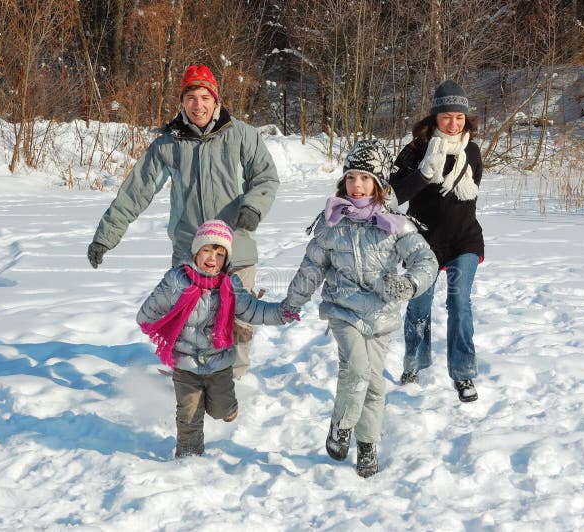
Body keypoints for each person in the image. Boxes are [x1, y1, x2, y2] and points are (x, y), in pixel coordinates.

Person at [87, 64, 279, 378]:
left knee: (238, 319)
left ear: (216, 100)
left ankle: (232, 381)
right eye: (191, 97)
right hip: (191, 249)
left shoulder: (242, 135)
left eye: (205, 96)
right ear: (182, 101)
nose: (198, 104)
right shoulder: (169, 143)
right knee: (188, 317)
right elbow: (136, 191)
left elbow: (266, 177)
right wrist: (105, 237)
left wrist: (254, 208)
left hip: (236, 246)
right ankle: (188, 378)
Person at [284, 139, 438, 477]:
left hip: (381, 314)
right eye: (352, 177)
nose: (357, 185)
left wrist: (410, 284)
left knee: (373, 383)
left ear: (380, 184)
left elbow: (425, 259)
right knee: (356, 368)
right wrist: (292, 302)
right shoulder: (332, 223)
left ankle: (367, 446)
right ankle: (341, 426)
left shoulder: (396, 225)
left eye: (365, 178)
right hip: (343, 310)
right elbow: (312, 267)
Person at [137, 220, 298, 457]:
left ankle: (228, 407)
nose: (213, 258)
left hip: (219, 362)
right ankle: (189, 458)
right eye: (207, 250)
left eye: (220, 253)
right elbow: (146, 313)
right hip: (185, 364)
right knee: (189, 415)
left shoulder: (229, 285)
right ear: (196, 251)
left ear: (226, 260)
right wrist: (164, 324)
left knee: (220, 409)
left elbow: (254, 310)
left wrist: (281, 313)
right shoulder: (176, 282)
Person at [389, 79, 484, 402]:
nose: (453, 123)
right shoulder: (415, 149)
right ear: (434, 117)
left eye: (459, 117)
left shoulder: (471, 150)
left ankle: (464, 373)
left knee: (460, 304)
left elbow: (470, 196)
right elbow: (393, 196)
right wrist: (423, 175)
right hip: (423, 241)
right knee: (419, 305)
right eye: (446, 117)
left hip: (463, 240)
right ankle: (414, 364)